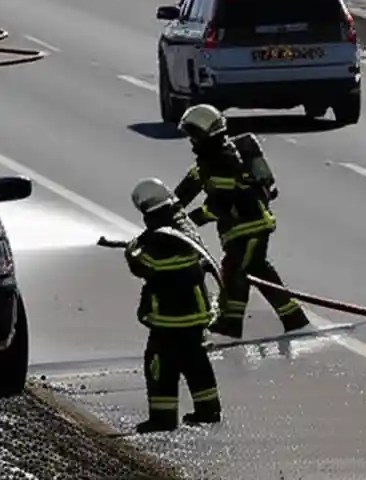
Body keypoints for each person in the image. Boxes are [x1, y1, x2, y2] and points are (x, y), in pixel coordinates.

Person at [174, 104, 310, 339]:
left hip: (249, 227)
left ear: (205, 135)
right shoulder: (213, 160)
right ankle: (293, 319)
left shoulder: (224, 162)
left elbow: (219, 205)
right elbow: (188, 187)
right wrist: (170, 210)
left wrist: (188, 222)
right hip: (243, 228)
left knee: (238, 271)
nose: (191, 142)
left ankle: (232, 323)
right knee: (252, 270)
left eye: (193, 136)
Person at [125, 177, 223, 433]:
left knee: (160, 363)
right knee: (196, 361)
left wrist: (132, 253)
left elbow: (148, 267)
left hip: (169, 317)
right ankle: (209, 410)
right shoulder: (184, 227)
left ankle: (163, 418)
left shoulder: (158, 240)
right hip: (196, 311)